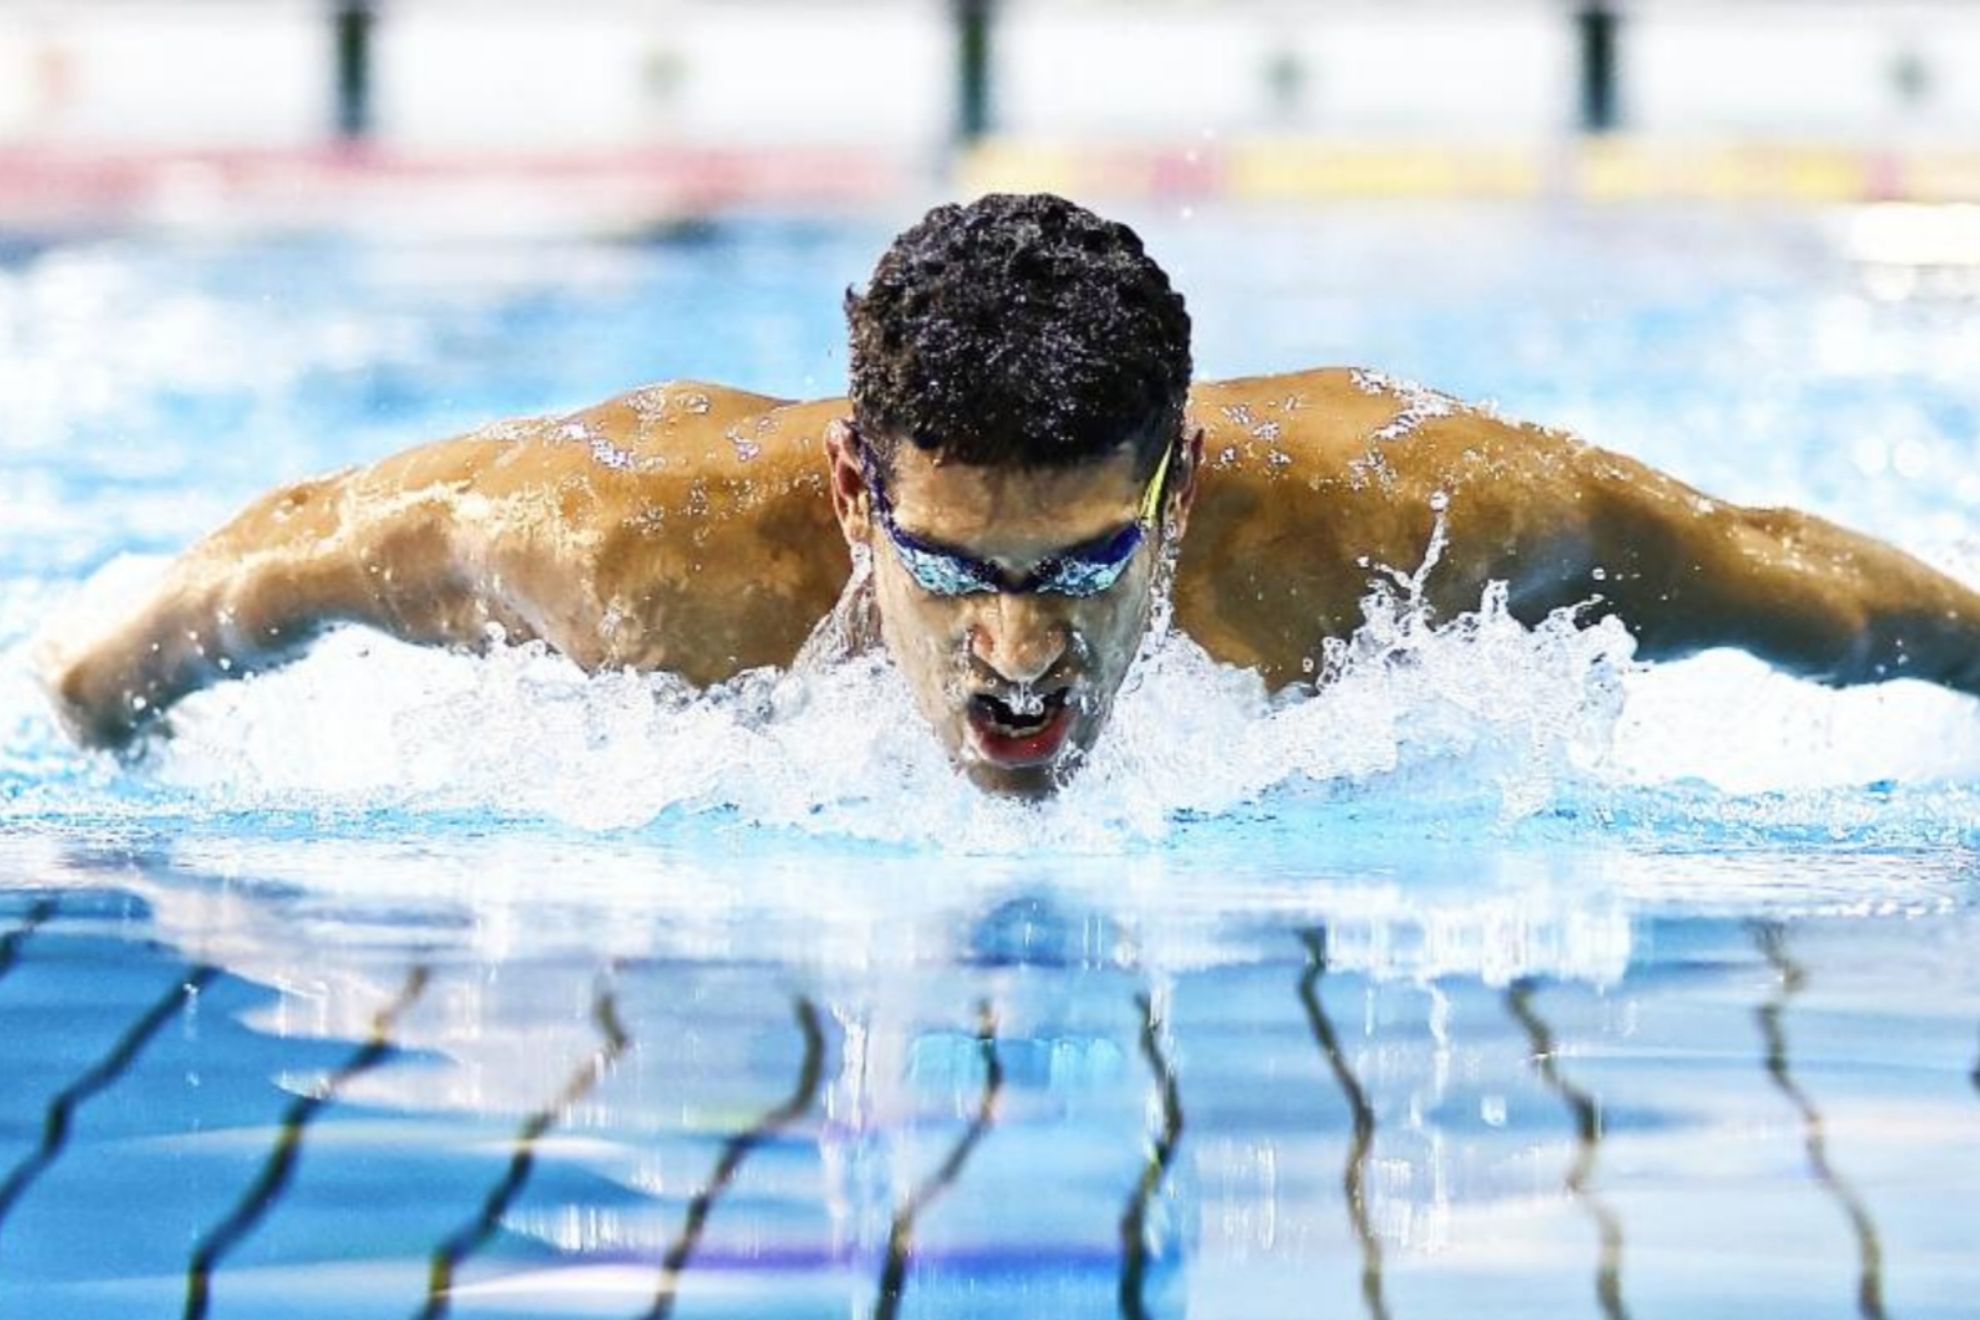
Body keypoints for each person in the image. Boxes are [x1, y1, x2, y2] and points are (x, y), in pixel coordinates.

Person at [38, 193, 1980, 796]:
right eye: (957, 565)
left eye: (1082, 568)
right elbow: (286, 559)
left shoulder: (1400, 533)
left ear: (1187, 494)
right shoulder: (636, 562)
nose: (1022, 653)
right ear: (853, 495)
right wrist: (83, 718)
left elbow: (1805, 582)